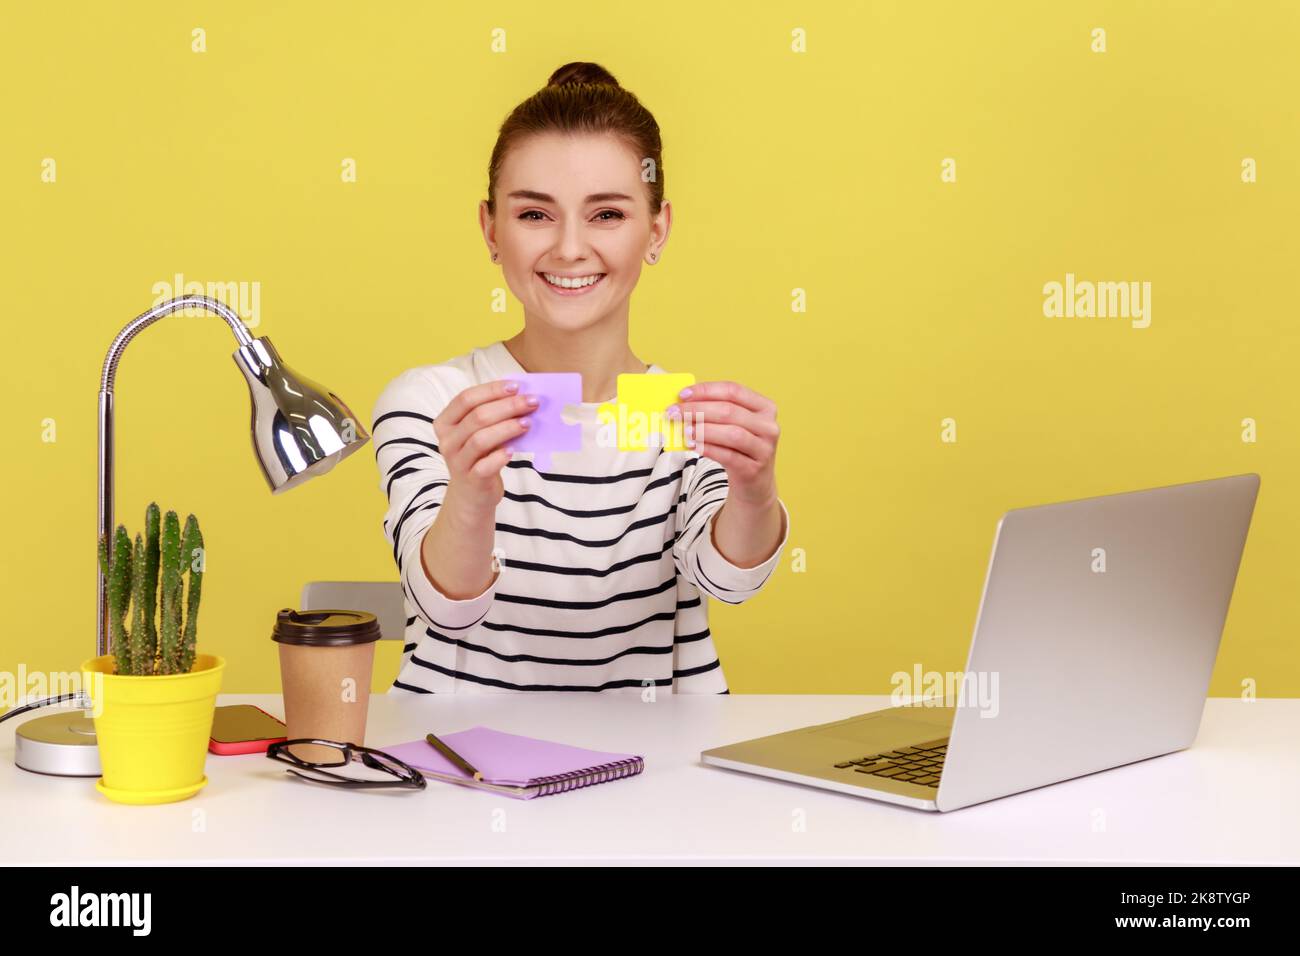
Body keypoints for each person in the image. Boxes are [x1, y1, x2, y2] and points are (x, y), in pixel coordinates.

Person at [372, 62, 790, 693]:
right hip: (455, 767)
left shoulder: (676, 408)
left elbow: (728, 580)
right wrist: (473, 496)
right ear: (491, 230)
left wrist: (755, 490)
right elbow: (446, 604)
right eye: (535, 215)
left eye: (607, 215)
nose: (569, 248)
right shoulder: (436, 400)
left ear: (657, 230)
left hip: (653, 773)